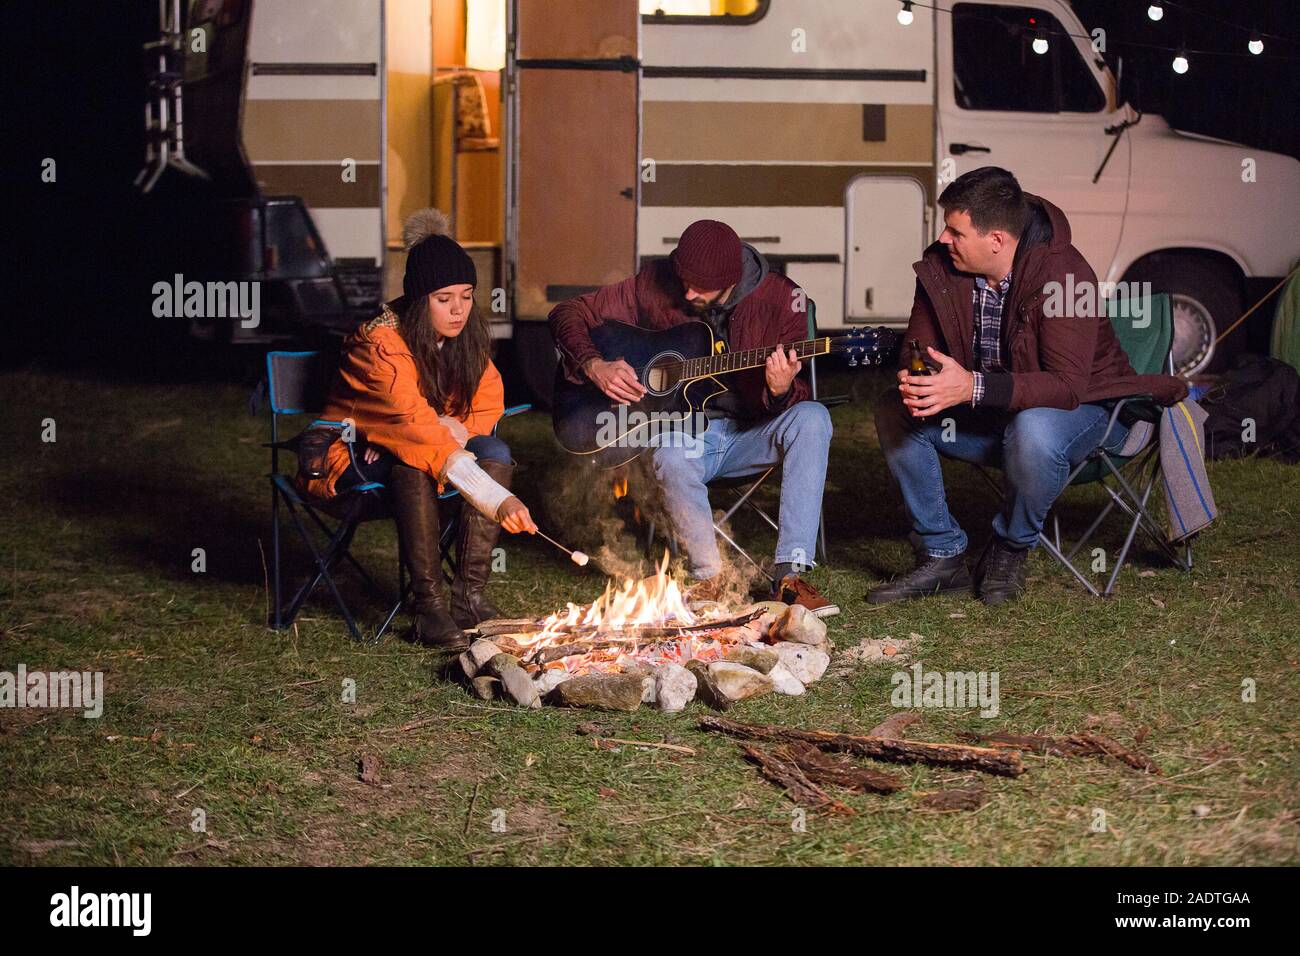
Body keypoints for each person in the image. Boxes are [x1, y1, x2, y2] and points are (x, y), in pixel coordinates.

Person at [868, 167, 1187, 606]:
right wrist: (920, 374)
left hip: (1090, 415)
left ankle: (1011, 546)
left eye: (955, 231)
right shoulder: (944, 265)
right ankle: (941, 552)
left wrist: (972, 388)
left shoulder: (1066, 276)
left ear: (996, 240)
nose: (944, 239)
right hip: (996, 415)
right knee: (894, 408)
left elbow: (1065, 387)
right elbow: (918, 345)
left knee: (1033, 427)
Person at [549, 219, 837, 616]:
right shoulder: (657, 282)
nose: (686, 292)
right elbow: (569, 312)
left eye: (699, 287)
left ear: (730, 279)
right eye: (683, 280)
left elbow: (797, 397)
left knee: (813, 418)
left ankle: (789, 575)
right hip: (686, 434)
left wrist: (779, 389)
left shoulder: (782, 299)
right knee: (671, 451)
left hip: (751, 432)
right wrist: (594, 363)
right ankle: (710, 579)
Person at [300, 209, 537, 648]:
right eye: (444, 298)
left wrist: (456, 430)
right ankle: (429, 608)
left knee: (496, 451)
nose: (458, 309)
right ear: (418, 299)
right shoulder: (381, 344)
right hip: (344, 457)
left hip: (419, 448)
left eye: (466, 296)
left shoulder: (465, 338)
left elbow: (486, 403)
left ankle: (469, 597)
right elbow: (409, 421)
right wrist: (497, 498)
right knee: (410, 467)